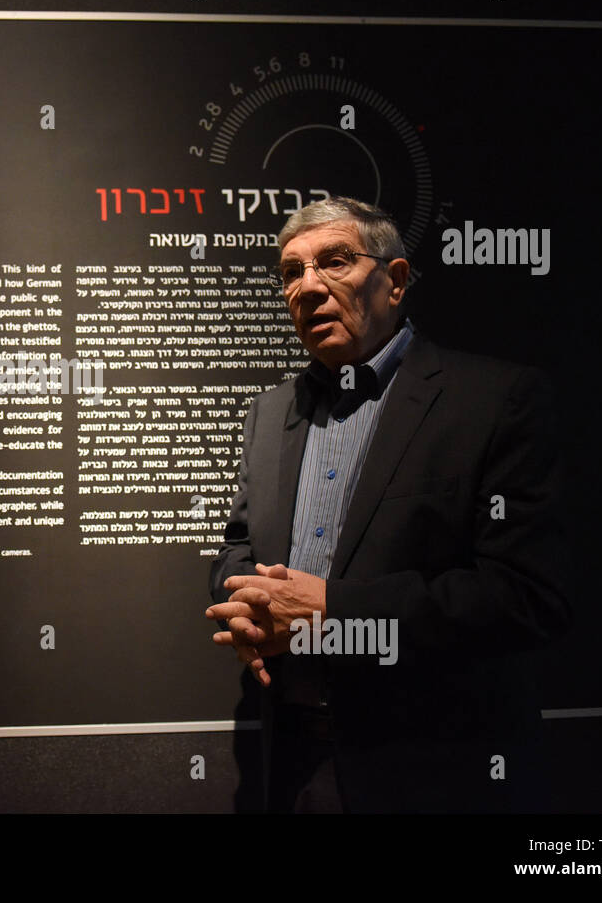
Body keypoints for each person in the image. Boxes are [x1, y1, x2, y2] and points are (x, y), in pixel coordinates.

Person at [205, 196, 571, 812]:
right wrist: (242, 600)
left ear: (395, 280)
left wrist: (336, 610)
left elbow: (528, 597)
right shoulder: (270, 412)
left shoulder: (494, 400)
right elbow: (238, 547)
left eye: (334, 262)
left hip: (438, 773)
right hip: (296, 764)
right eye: (291, 272)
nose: (307, 287)